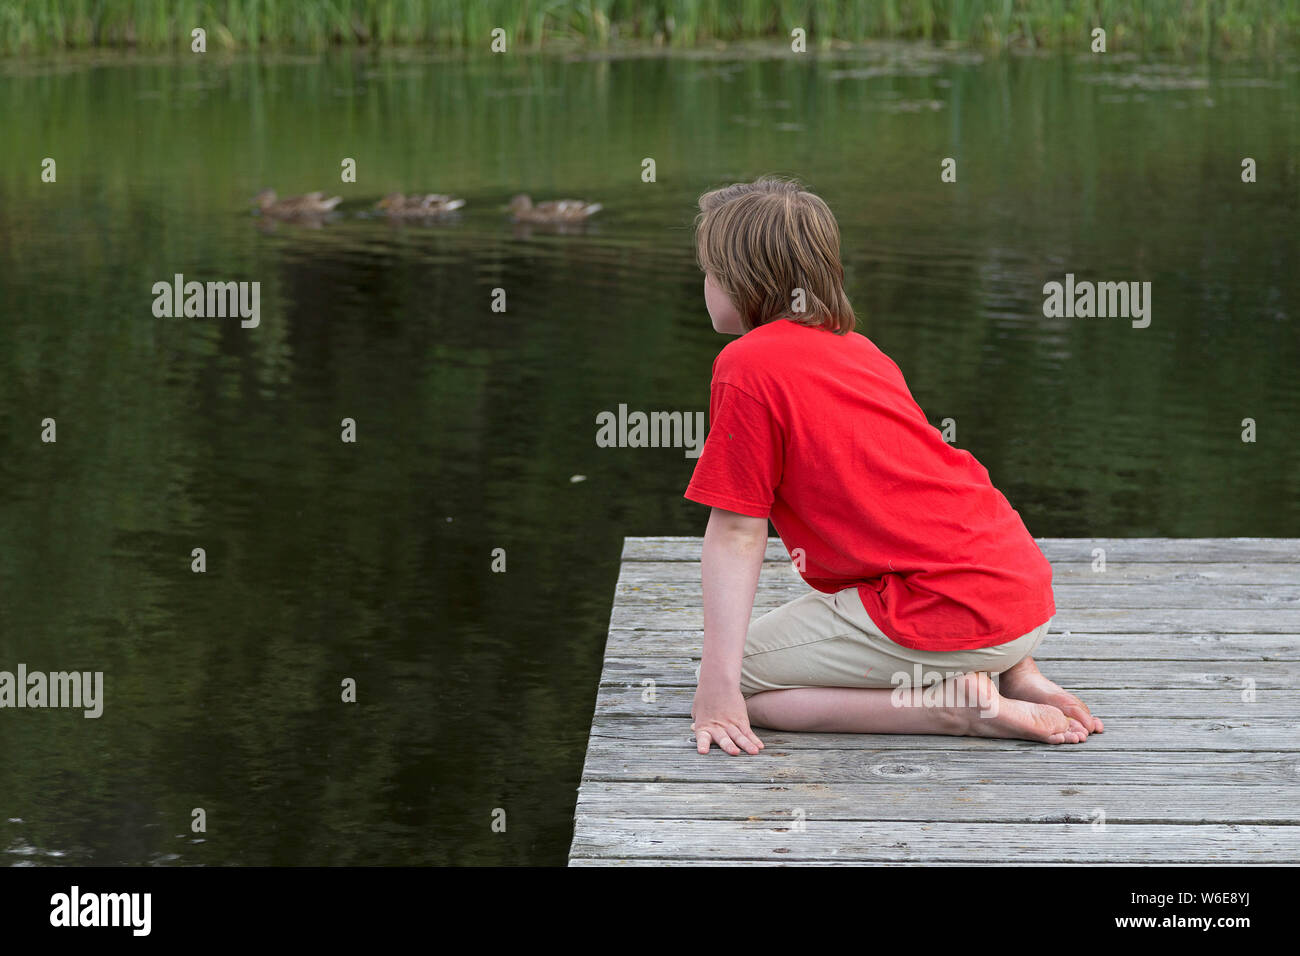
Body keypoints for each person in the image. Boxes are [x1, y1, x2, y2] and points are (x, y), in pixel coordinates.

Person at [683, 177, 1104, 756]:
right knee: (744, 671)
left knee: (743, 685)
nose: (702, 285)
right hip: (1020, 598)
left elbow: (735, 529)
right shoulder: (857, 349)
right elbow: (932, 501)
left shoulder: (747, 365)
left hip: (947, 612)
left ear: (739, 278)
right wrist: (1012, 658)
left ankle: (954, 710)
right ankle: (1012, 671)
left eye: (707, 271)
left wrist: (716, 684)